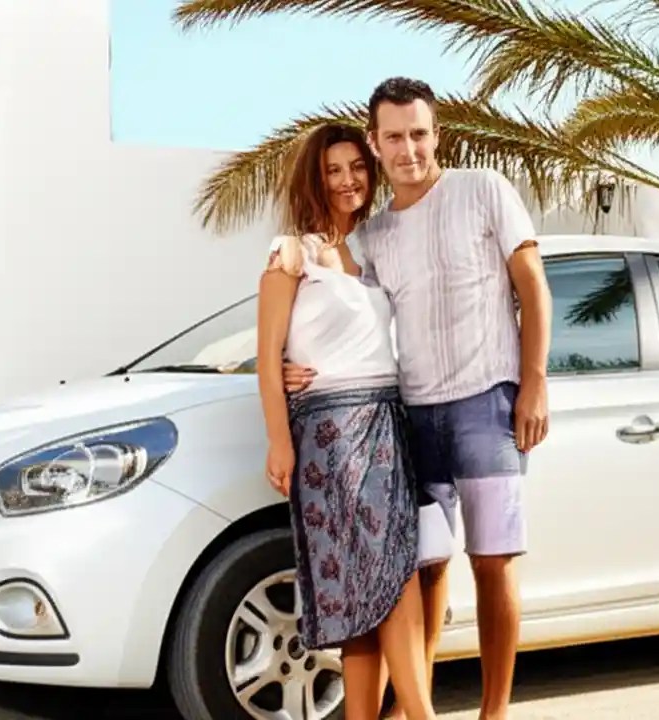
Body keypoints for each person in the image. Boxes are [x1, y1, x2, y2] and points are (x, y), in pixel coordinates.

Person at [282, 77, 553, 720]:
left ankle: (494, 713)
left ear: (438, 135)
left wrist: (534, 382)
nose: (410, 149)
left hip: (487, 402)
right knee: (425, 568)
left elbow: (533, 285)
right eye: (395, 137)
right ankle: (412, 710)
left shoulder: (484, 190)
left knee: (491, 561)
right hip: (410, 418)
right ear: (376, 144)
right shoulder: (373, 236)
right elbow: (343, 309)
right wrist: (288, 364)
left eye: (420, 134)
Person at [256, 122, 438, 720]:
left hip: (389, 427)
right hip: (329, 435)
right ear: (316, 177)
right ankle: (421, 714)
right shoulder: (292, 255)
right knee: (388, 581)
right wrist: (279, 443)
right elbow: (265, 354)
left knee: (377, 585)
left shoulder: (380, 247)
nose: (347, 180)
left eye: (356, 166)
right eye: (333, 170)